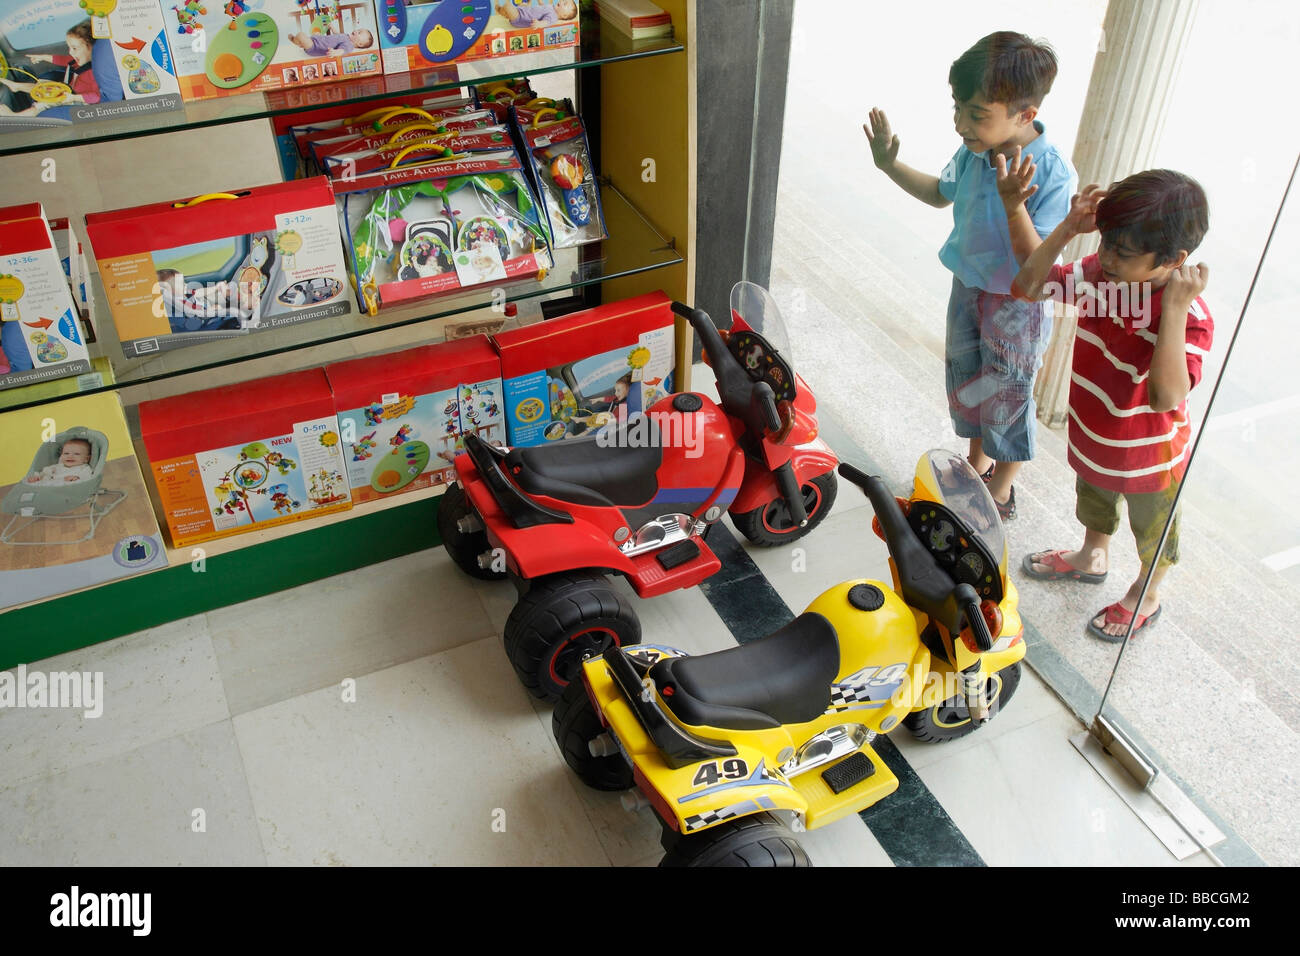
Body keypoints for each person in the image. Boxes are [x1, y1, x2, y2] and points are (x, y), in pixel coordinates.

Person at [864, 31, 1076, 520]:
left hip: (1015, 306)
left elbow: (1039, 262)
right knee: (972, 381)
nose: (961, 123)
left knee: (1008, 389)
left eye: (977, 113)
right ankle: (975, 465)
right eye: (957, 106)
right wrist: (888, 164)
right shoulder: (976, 149)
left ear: (1024, 114)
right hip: (969, 289)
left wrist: (1014, 203)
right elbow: (940, 193)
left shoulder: (1051, 170)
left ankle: (1000, 489)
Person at [998, 166, 1212, 641]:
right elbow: (1029, 287)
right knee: (1093, 500)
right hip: (1096, 435)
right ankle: (1093, 555)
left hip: (1150, 461)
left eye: (1124, 252)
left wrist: (1174, 308)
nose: (1107, 257)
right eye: (1106, 242)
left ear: (1175, 259)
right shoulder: (1101, 274)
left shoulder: (1188, 318)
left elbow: (1166, 396)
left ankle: (1146, 592)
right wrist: (1070, 229)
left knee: (1152, 534)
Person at [0, 19, 101, 117]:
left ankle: (15, 116)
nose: (70, 52)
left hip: (79, 102)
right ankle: (16, 86)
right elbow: (62, 59)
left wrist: (73, 98)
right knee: (43, 86)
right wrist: (42, 57)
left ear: (92, 48)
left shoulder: (95, 73)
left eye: (74, 48)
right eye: (69, 47)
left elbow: (96, 97)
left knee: (42, 105)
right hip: (69, 91)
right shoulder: (80, 60)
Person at [26, 438, 93, 484]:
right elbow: (45, 472)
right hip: (51, 485)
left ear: (86, 459)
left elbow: (88, 478)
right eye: (66, 453)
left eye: (76, 454)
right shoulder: (57, 466)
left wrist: (78, 478)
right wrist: (38, 477)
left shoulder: (84, 468)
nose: (70, 456)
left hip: (68, 488)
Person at [288, 27, 375, 57]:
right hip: (318, 40)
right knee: (316, 32)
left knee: (300, 35)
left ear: (359, 44)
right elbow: (337, 35)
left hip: (315, 47)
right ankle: (301, 43)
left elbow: (342, 51)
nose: (356, 31)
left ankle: (296, 41)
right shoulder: (346, 36)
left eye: (359, 33)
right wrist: (332, 28)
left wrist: (335, 52)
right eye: (358, 30)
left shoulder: (349, 46)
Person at [495, 1, 578, 28]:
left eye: (565, 3)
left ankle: (500, 11)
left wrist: (539, 24)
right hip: (523, 11)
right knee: (522, 4)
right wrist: (540, 1)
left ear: (564, 15)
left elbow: (546, 22)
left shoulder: (553, 17)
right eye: (564, 0)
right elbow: (543, 7)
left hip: (520, 18)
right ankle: (505, 13)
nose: (562, 1)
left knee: (507, 5)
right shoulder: (552, 7)